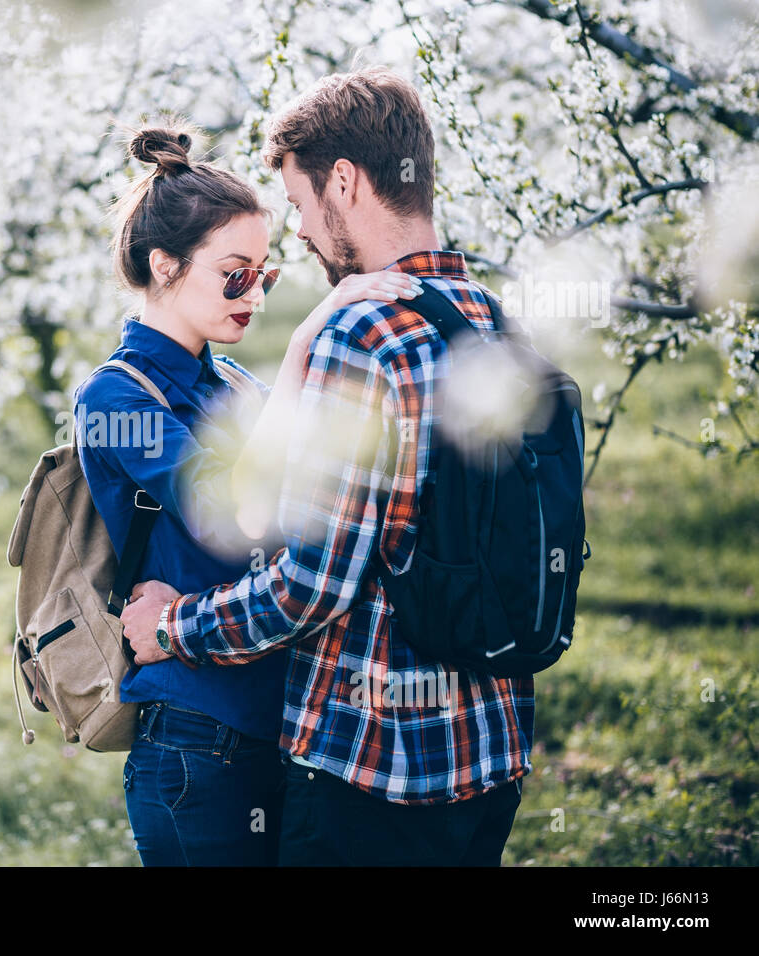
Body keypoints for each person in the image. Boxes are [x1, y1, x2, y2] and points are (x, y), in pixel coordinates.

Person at [121, 66, 533, 867]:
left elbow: (308, 585)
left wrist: (169, 628)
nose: (302, 234)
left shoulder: (362, 336)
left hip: (372, 775)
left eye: (304, 207)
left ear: (344, 181)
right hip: (491, 754)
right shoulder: (489, 318)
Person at [76, 120, 419, 867]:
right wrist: (309, 345)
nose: (254, 296)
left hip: (286, 727)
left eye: (263, 276)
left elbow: (305, 509)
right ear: (165, 266)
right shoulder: (113, 399)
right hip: (198, 741)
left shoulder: (235, 384)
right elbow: (229, 508)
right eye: (234, 274)